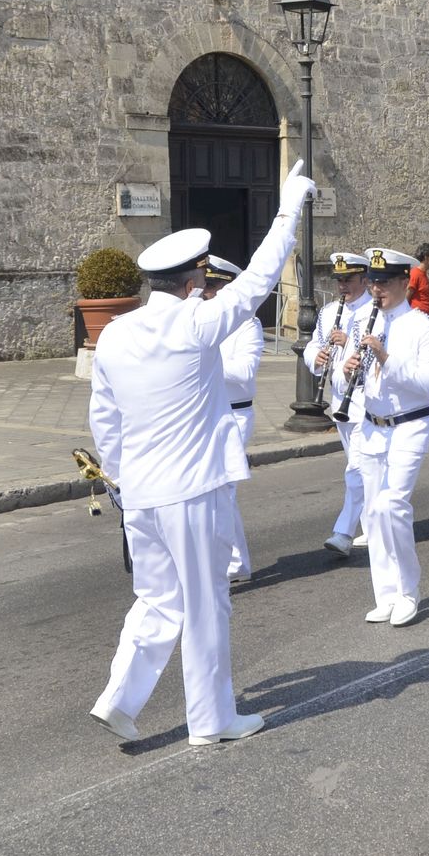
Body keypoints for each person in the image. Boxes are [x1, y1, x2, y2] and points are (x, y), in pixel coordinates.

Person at [87, 159, 314, 747]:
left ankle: (119, 697)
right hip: (192, 490)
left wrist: (115, 477)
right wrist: (288, 207)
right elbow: (261, 279)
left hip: (139, 491)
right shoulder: (196, 323)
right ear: (194, 280)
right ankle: (211, 719)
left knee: (156, 600)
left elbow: (104, 417)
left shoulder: (114, 333)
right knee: (207, 605)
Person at [344, 248, 429, 627]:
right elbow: (343, 380)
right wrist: (347, 368)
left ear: (405, 282)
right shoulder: (365, 324)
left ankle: (407, 590)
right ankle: (384, 594)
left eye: (383, 283)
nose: (376, 289)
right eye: (372, 282)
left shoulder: (423, 327)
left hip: (409, 425)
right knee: (372, 512)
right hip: (371, 426)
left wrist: (386, 358)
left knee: (392, 506)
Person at [198, 256, 263, 583]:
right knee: (217, 492)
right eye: (205, 285)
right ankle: (236, 562)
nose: (205, 293)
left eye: (212, 286)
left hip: (236, 415)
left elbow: (245, 372)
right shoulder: (204, 322)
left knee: (224, 490)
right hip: (208, 414)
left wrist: (207, 361)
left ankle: (229, 562)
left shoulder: (247, 325)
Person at [305, 251, 373, 556]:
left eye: (348, 279)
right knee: (360, 466)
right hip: (340, 399)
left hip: (366, 401)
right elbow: (313, 345)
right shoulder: (330, 311)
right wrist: (316, 358)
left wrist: (347, 345)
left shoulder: (375, 309)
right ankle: (373, 527)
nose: (342, 285)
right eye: (339, 280)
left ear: (364, 279)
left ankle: (343, 531)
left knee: (356, 468)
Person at [406, 242, 429, 315]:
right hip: (416, 317)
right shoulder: (415, 273)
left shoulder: (423, 274)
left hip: (423, 316)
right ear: (427, 258)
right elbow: (407, 296)